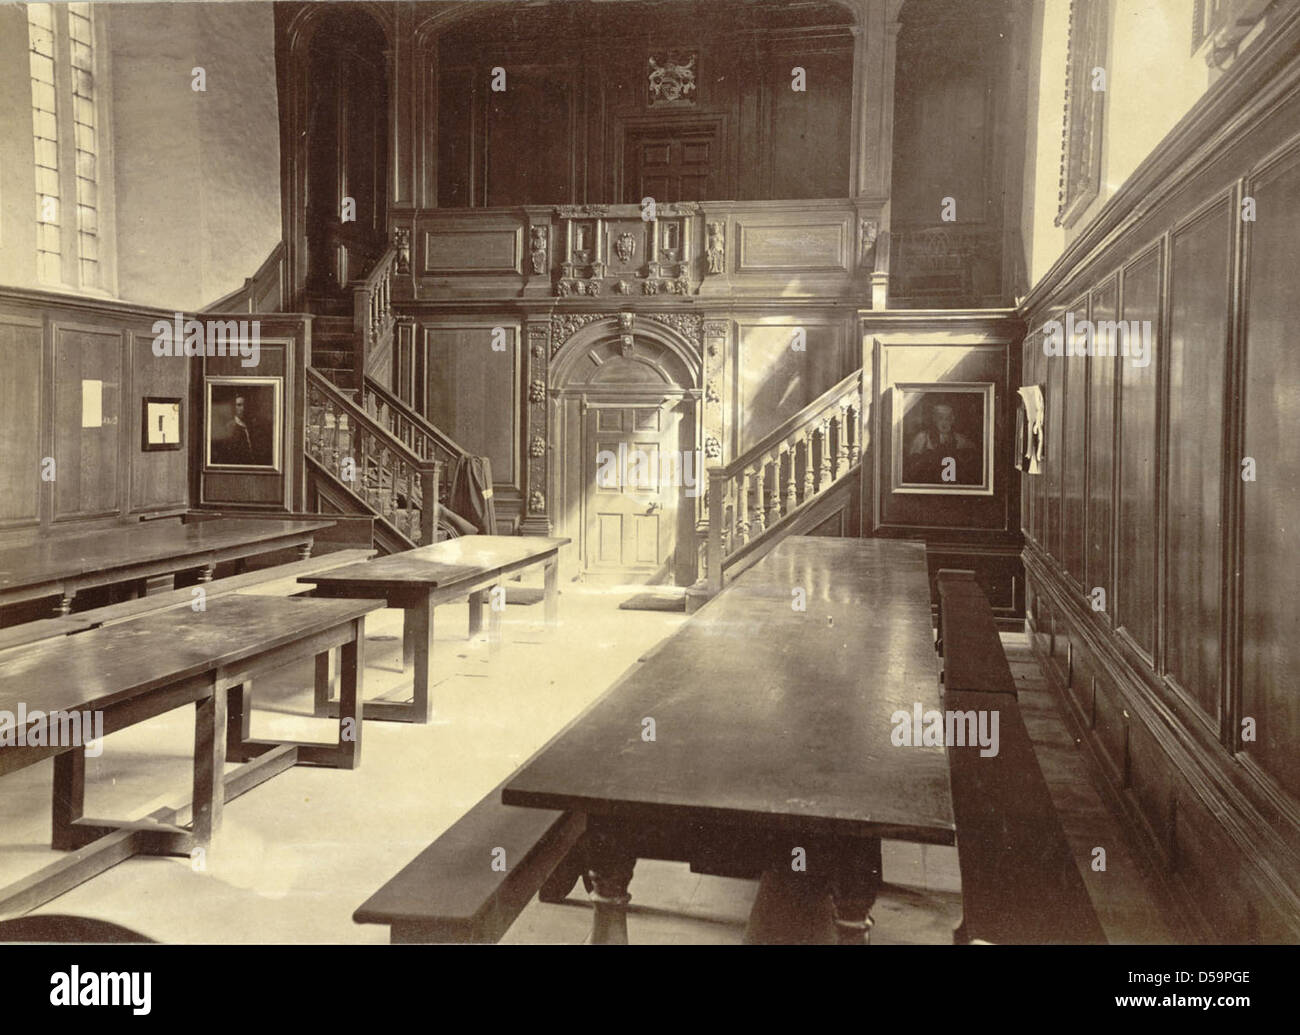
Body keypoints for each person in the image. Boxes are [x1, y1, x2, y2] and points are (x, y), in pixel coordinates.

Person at [905, 401, 978, 484]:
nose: (944, 422)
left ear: (952, 420)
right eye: (940, 418)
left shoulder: (961, 440)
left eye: (948, 418)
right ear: (934, 420)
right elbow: (913, 468)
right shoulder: (922, 438)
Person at [211, 394, 256, 465]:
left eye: (244, 405)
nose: (243, 408)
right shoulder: (229, 427)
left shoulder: (251, 427)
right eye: (239, 405)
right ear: (233, 407)